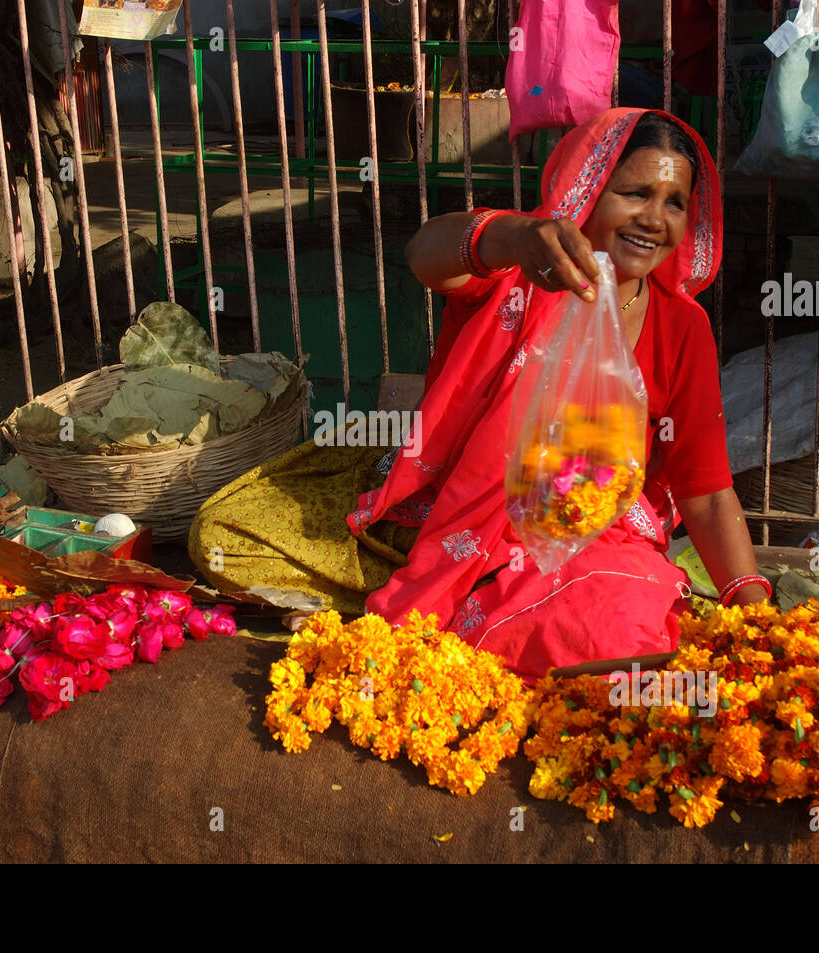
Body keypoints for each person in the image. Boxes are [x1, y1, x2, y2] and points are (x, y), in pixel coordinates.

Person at [190, 107, 770, 680]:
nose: (654, 219)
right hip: (446, 517)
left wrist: (750, 606)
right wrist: (514, 236)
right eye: (635, 193)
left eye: (674, 202)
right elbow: (427, 256)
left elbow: (707, 492)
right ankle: (443, 593)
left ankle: (457, 605)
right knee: (221, 534)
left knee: (616, 620)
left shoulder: (681, 325)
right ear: (586, 189)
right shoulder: (522, 266)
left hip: (579, 533)